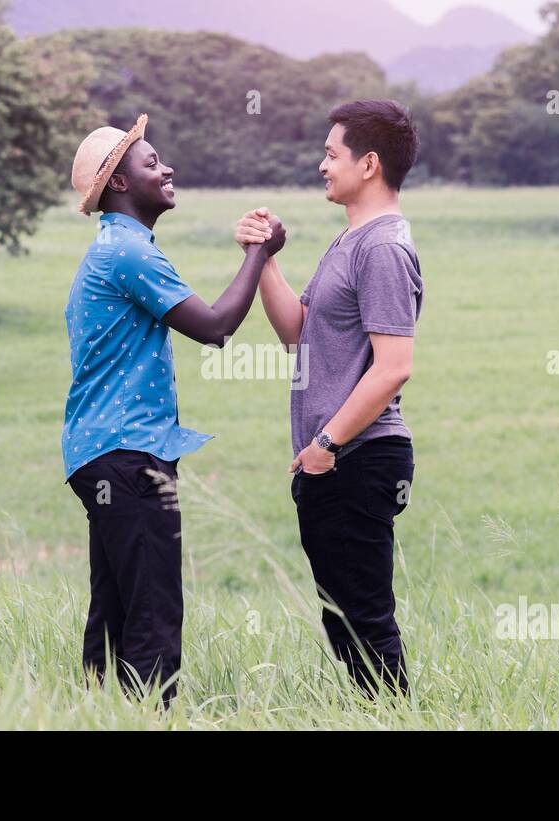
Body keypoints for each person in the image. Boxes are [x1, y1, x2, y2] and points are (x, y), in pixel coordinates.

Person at [64, 114, 286, 706]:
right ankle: (149, 716)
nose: (166, 169)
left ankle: (96, 713)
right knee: (154, 613)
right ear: (118, 184)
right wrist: (259, 253)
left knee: (115, 608)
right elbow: (214, 328)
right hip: (130, 456)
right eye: (151, 162)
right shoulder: (127, 253)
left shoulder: (112, 249)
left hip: (102, 453)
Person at [235, 100, 422, 696]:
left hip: (359, 456)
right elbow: (299, 331)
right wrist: (262, 258)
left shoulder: (384, 248)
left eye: (331, 153)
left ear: (368, 164)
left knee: (365, 621)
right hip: (337, 460)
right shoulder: (350, 241)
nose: (322, 164)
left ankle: (395, 715)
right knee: (343, 623)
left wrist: (325, 443)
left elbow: (394, 368)